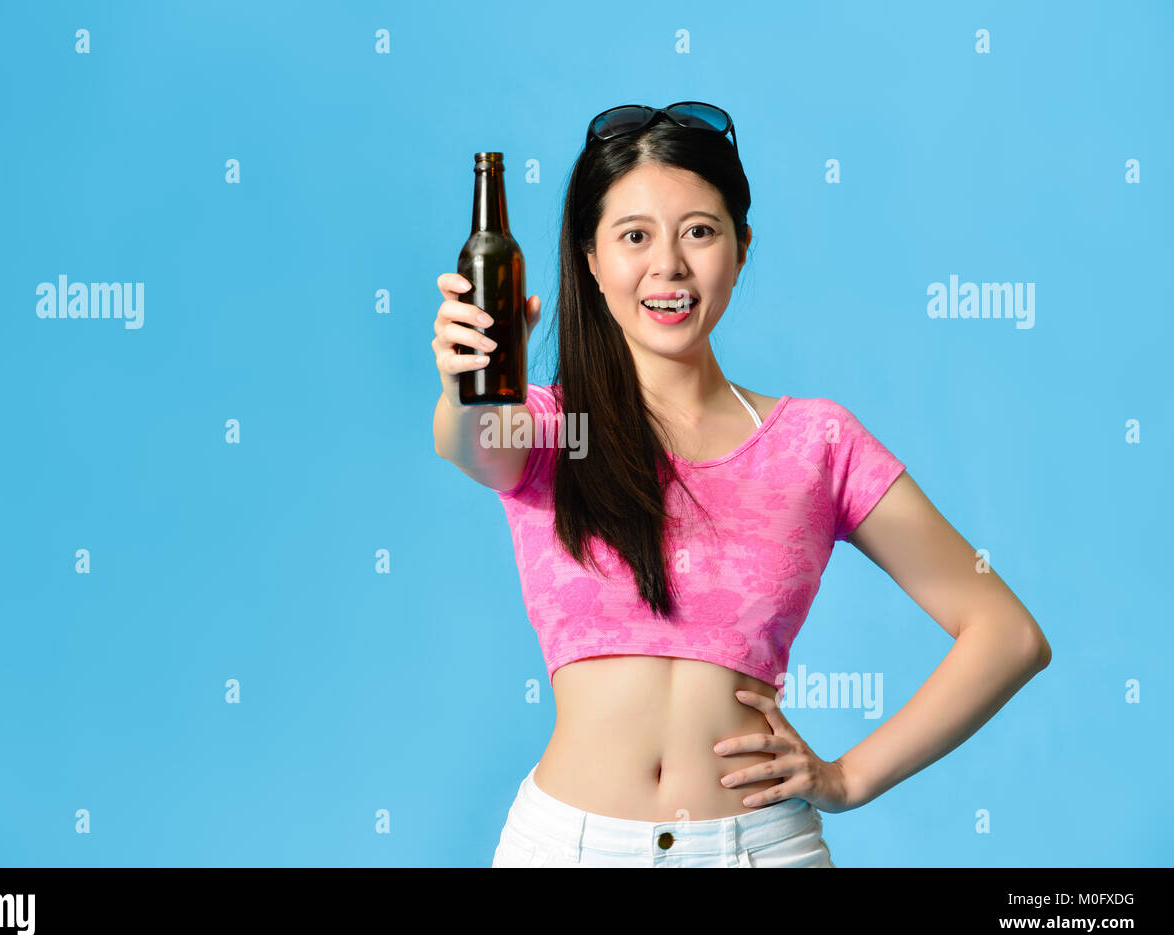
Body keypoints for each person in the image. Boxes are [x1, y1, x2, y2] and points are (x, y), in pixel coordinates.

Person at [431, 102, 1052, 867]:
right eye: (634, 237)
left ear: (742, 246)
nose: (668, 267)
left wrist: (850, 777)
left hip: (757, 849)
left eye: (700, 230)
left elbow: (1008, 634)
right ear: (590, 259)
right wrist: (468, 386)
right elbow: (471, 443)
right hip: (568, 846)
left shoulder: (816, 442)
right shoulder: (548, 428)